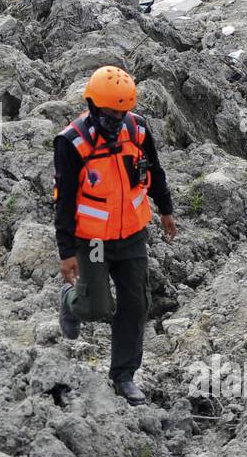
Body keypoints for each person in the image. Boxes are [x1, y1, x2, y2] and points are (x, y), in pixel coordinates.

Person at [52, 65, 177, 406]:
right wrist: (66, 251)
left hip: (132, 235)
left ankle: (123, 376)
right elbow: (63, 200)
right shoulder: (72, 143)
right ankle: (69, 301)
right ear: (92, 106)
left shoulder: (136, 129)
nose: (115, 121)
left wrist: (165, 211)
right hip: (92, 242)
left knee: (137, 305)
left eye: (121, 114)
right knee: (96, 307)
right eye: (109, 114)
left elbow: (155, 170)